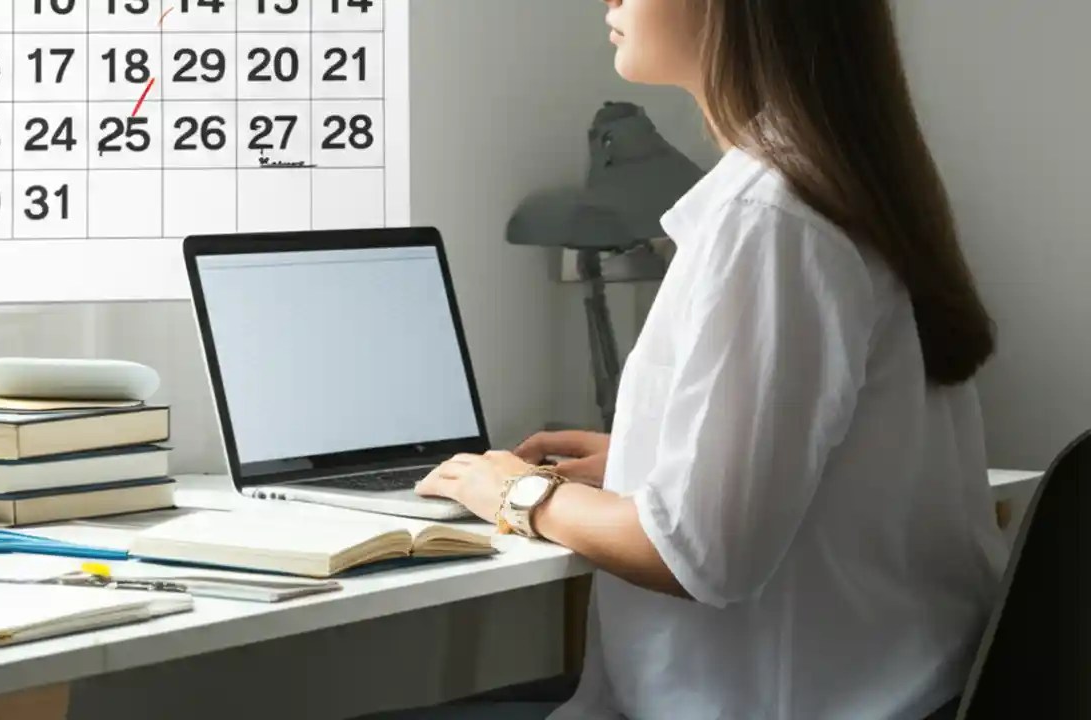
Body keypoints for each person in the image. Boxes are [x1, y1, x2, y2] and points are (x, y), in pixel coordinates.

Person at [367, 0, 1010, 718]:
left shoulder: (771, 220)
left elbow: (699, 555)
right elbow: (835, 455)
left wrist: (515, 494)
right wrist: (650, 457)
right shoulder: (834, 187)